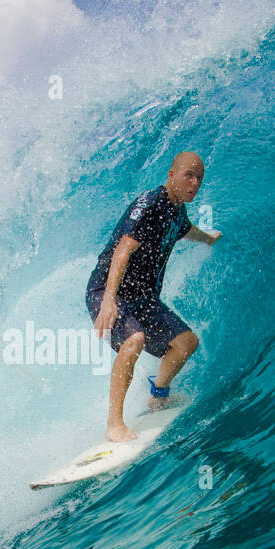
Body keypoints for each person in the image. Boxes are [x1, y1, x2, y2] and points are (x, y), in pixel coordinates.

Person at [85, 151, 220, 442]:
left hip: (143, 298)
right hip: (108, 290)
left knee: (186, 342)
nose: (194, 183)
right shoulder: (150, 204)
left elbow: (185, 230)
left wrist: (208, 239)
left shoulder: (177, 210)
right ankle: (114, 425)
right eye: (188, 175)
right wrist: (108, 300)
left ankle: (158, 396)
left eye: (199, 178)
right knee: (134, 340)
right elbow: (122, 250)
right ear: (171, 175)